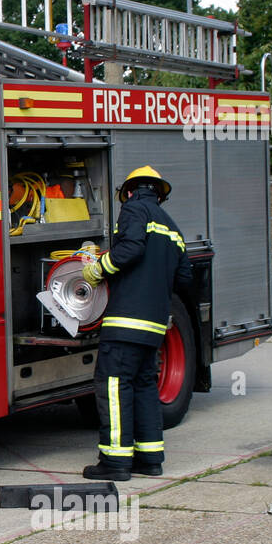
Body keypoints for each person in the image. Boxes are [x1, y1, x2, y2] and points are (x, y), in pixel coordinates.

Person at [80, 166, 193, 481]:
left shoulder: (133, 209)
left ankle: (115, 461)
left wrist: (98, 268)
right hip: (156, 326)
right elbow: (184, 278)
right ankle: (150, 459)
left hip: (126, 321)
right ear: (159, 194)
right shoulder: (173, 228)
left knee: (114, 386)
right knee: (144, 386)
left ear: (129, 192)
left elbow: (130, 248)